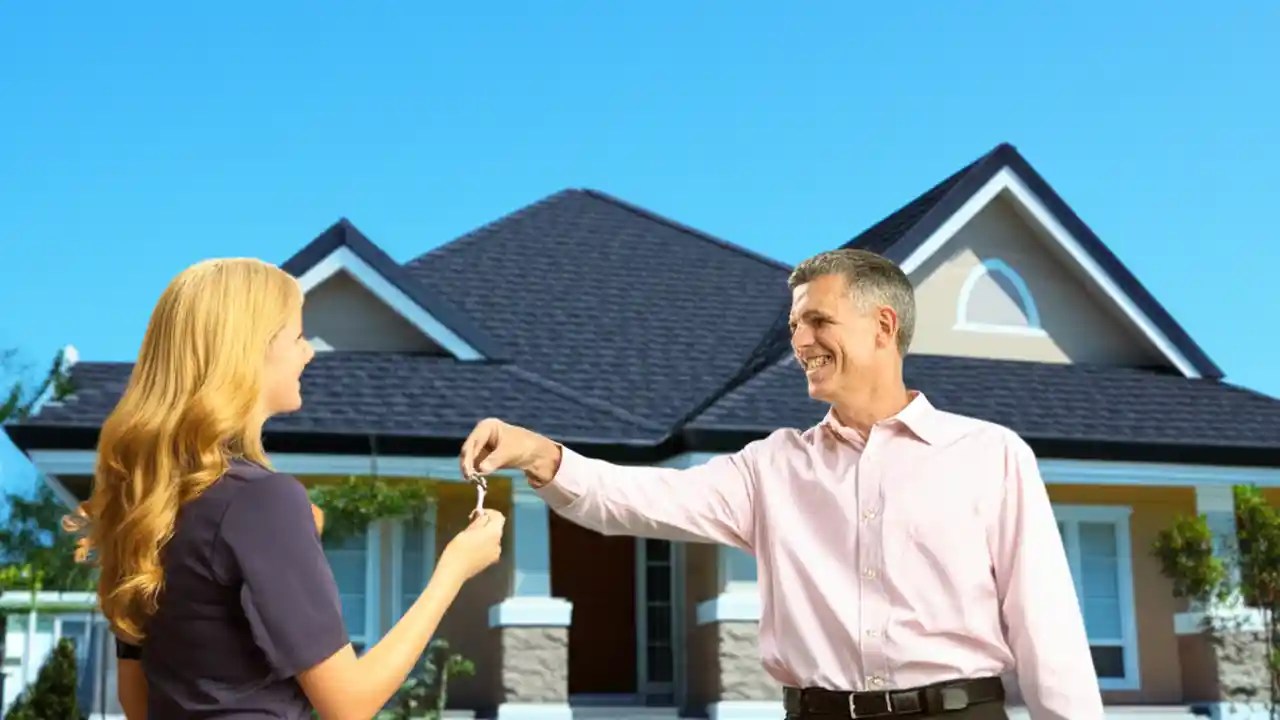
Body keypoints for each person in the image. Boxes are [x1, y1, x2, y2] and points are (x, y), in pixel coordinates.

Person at [459, 248, 1104, 719]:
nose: (800, 340)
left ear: (883, 327)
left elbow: (1046, 629)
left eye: (818, 321)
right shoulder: (770, 467)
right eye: (795, 325)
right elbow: (640, 499)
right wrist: (540, 454)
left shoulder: (988, 455)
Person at [68, 258, 506, 720]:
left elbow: (136, 703)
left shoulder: (147, 500)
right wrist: (454, 568)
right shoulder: (260, 501)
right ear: (249, 352)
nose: (309, 353)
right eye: (297, 337)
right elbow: (349, 704)